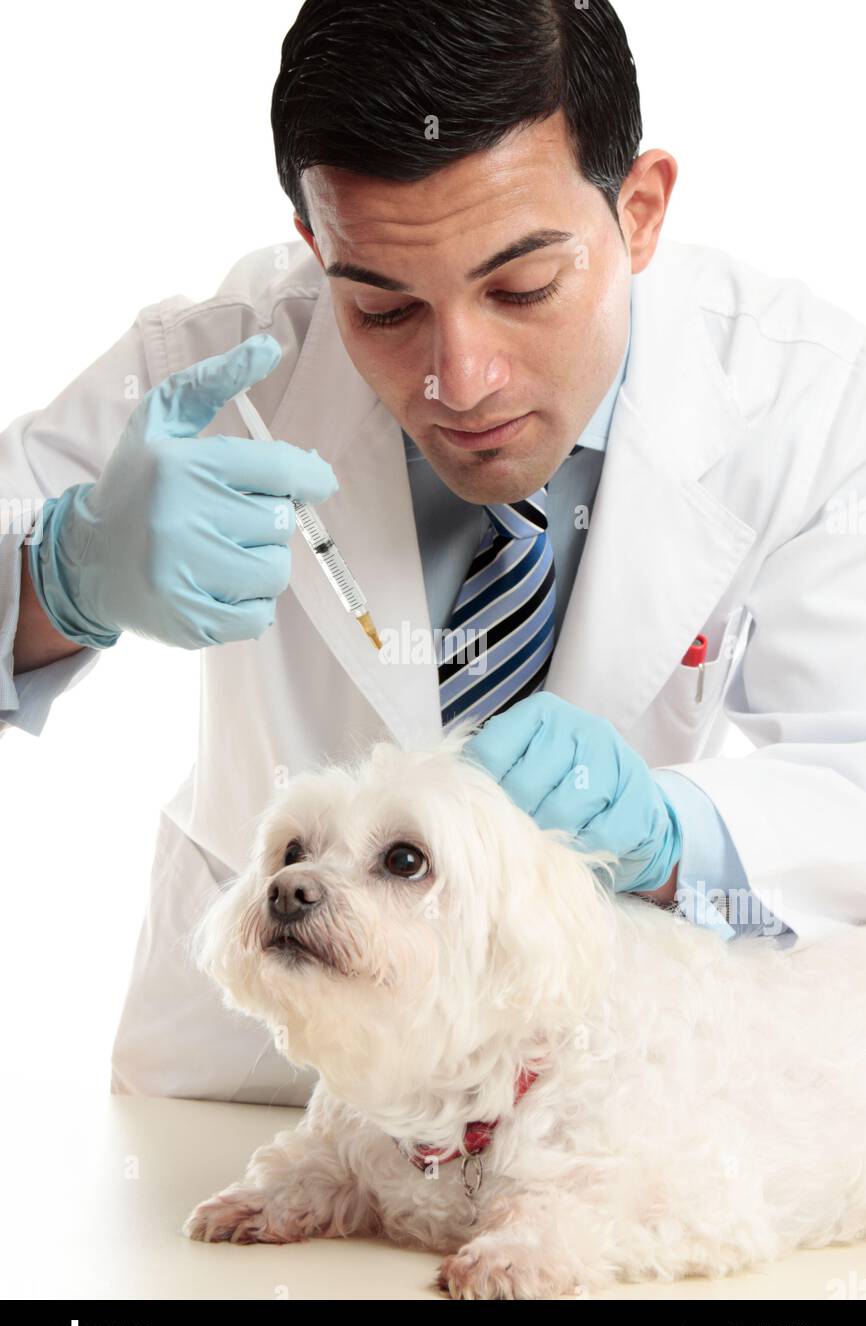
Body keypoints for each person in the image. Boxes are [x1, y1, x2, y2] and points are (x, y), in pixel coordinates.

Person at [2, 0, 864, 1106]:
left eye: (521, 289)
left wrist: (674, 832)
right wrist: (60, 577)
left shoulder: (802, 397)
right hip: (255, 1081)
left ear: (638, 210)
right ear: (318, 250)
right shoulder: (214, 368)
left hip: (606, 1098)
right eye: (385, 307)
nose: (460, 380)